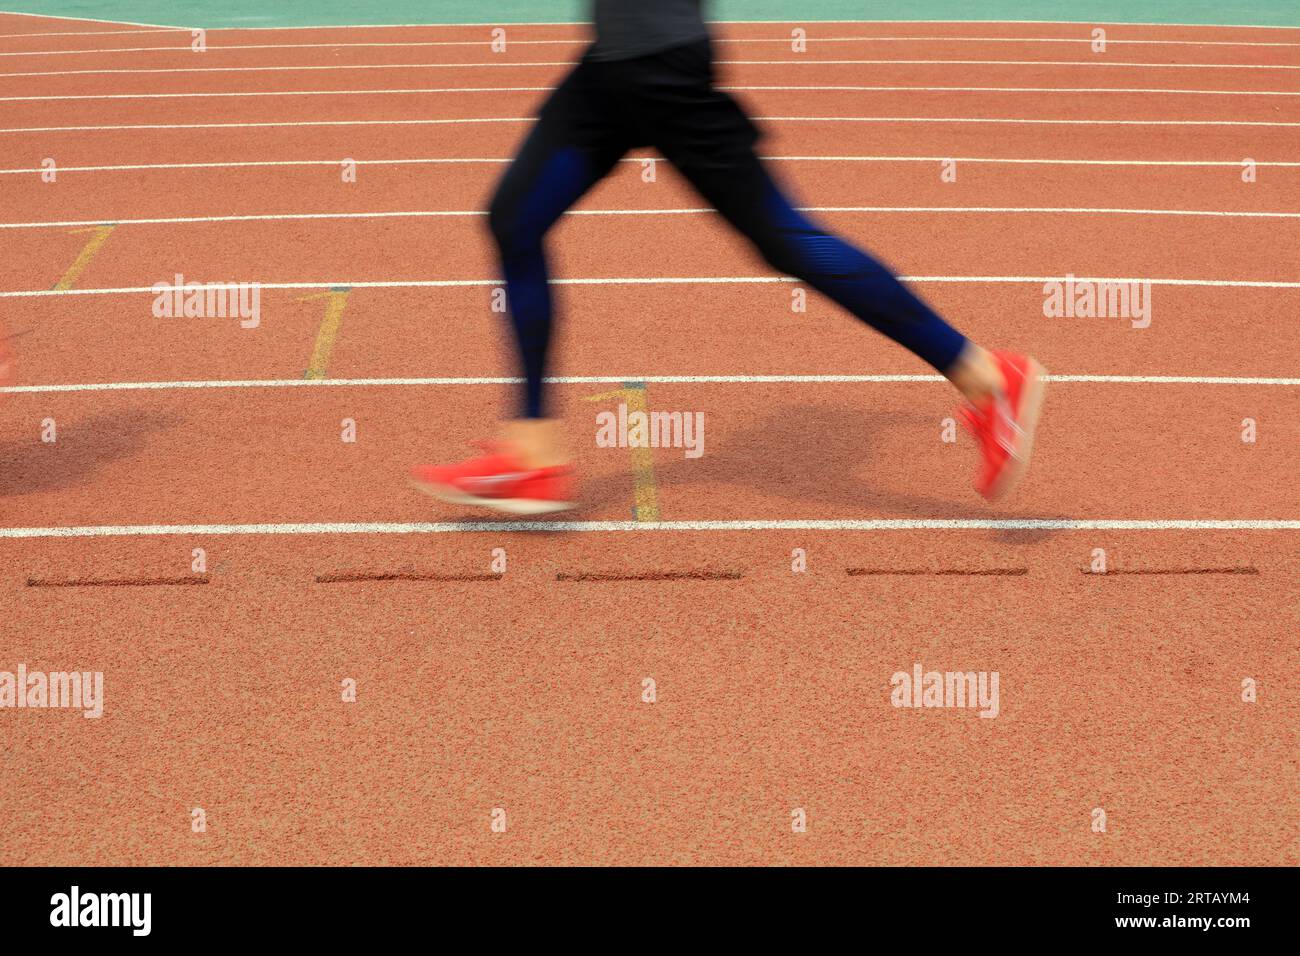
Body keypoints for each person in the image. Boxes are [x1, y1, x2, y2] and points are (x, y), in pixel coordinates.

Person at [412, 1, 1045, 514]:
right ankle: (531, 450)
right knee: (515, 219)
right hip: (612, 70)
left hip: (662, 71)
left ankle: (988, 376)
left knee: (785, 238)